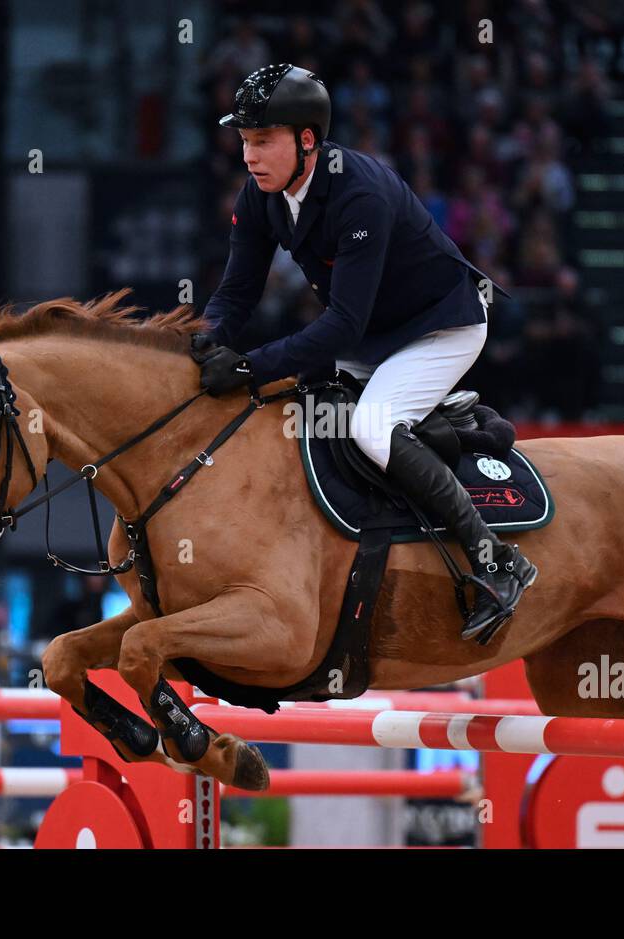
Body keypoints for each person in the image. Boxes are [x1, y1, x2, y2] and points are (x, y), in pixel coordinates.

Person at [194, 64, 537, 642]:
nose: (249, 156)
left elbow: (341, 327)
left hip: (438, 329)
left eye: (263, 141)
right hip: (372, 337)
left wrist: (249, 366)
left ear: (307, 140)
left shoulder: (360, 193)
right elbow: (237, 293)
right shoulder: (260, 195)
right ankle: (462, 429)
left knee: (374, 428)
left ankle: (496, 561)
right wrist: (205, 341)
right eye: (245, 141)